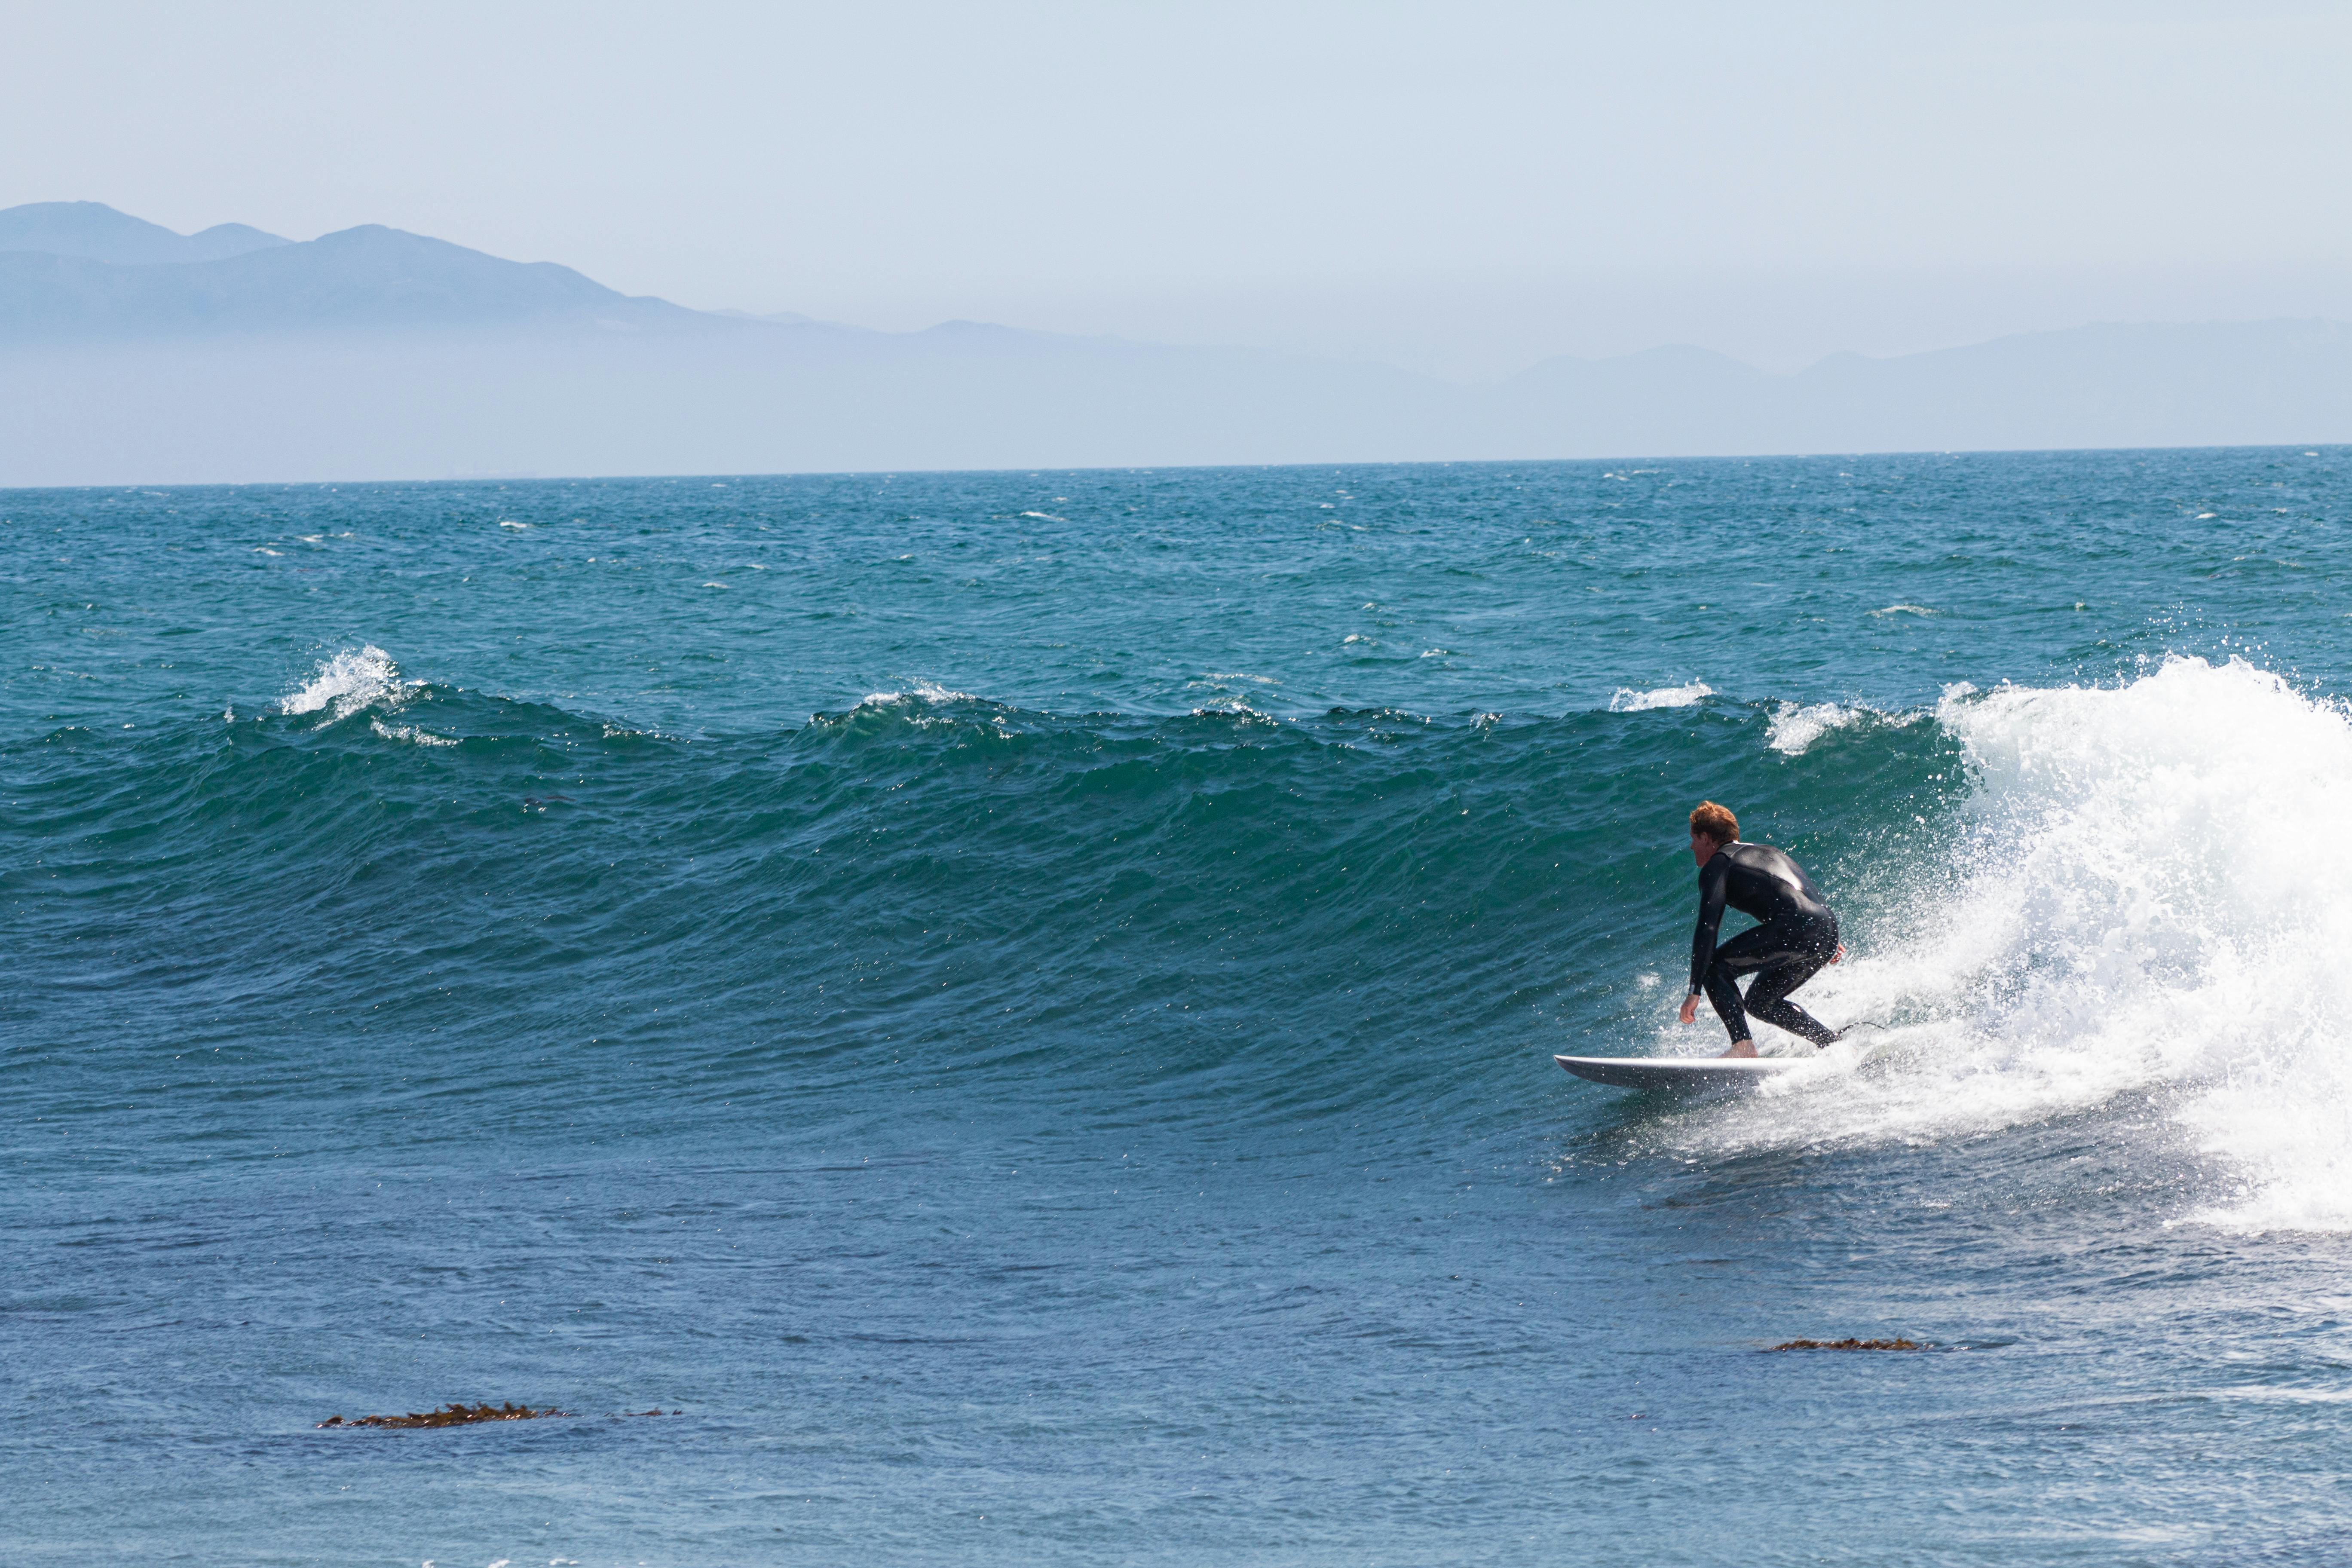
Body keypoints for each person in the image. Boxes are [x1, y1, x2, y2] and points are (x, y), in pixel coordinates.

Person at [1675, 801, 1845, 1057]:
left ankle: (1743, 1046)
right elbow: (1803, 891)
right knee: (1760, 1002)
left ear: (1706, 838)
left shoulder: (1719, 863)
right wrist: (1827, 937)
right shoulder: (1768, 852)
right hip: (1825, 927)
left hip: (1798, 927)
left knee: (1715, 968)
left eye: (1693, 839)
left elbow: (1708, 927)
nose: (1691, 846)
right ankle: (1832, 1043)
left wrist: (1694, 990)